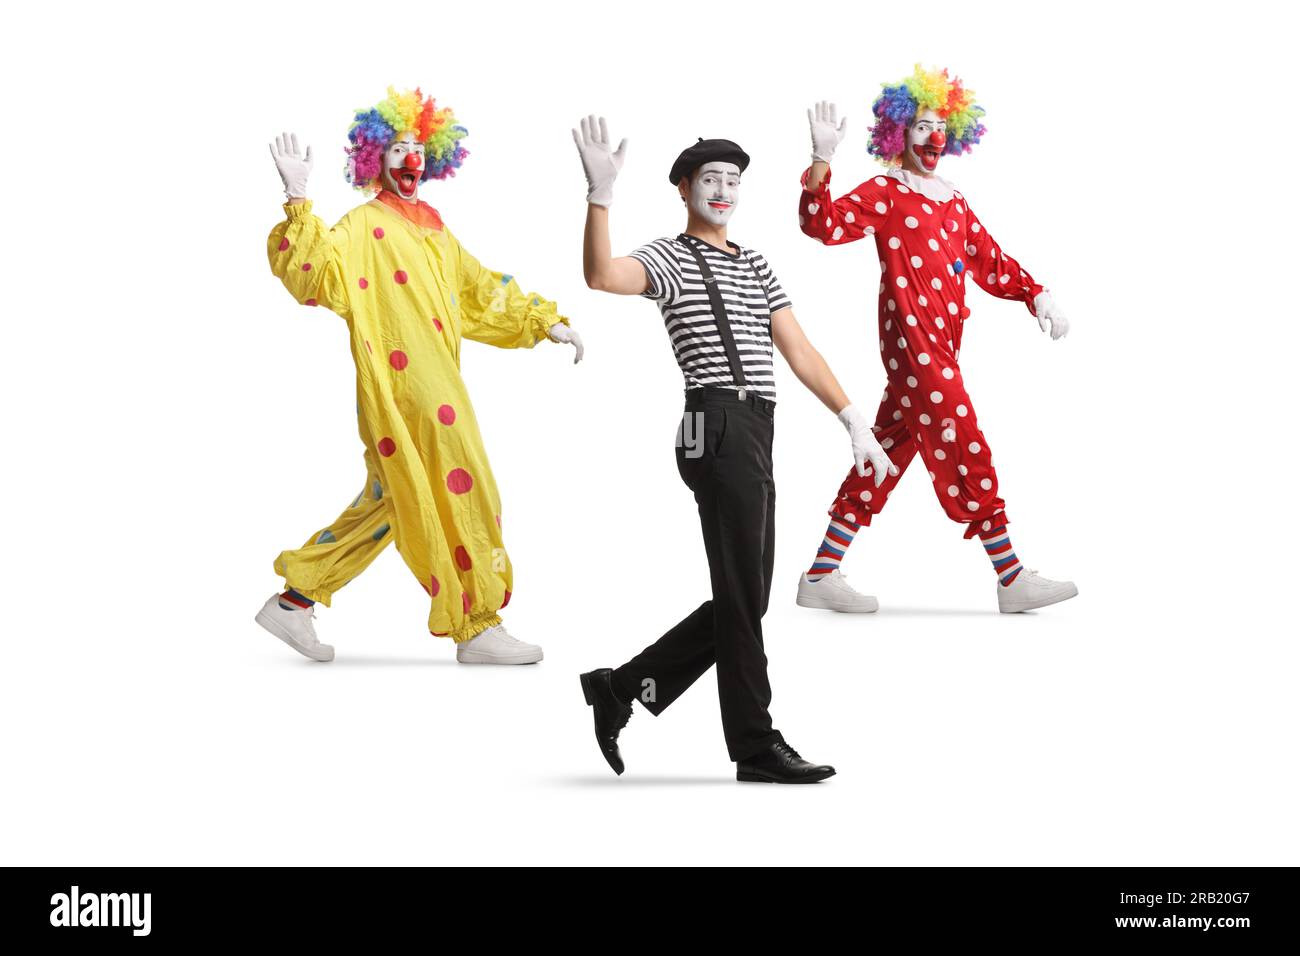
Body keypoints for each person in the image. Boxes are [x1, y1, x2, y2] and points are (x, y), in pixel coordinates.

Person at [572, 116, 894, 782]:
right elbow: (602, 276)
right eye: (710, 179)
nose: (722, 190)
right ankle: (755, 743)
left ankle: (623, 686)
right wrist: (599, 197)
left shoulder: (755, 263)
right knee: (745, 596)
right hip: (713, 422)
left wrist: (853, 418)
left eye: (732, 182)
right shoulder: (667, 256)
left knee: (746, 597)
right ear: (685, 188)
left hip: (758, 428)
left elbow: (797, 348)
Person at [255, 87, 583, 664]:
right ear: (375, 158)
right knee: (456, 484)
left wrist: (541, 322)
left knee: (397, 497)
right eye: (398, 146)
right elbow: (315, 277)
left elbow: (478, 290)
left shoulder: (433, 228)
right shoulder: (362, 225)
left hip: (439, 383)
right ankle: (476, 623)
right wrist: (298, 198)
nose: (410, 157)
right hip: (402, 389)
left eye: (418, 146)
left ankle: (294, 601)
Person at [794, 69, 1078, 615]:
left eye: (943, 127)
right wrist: (822, 162)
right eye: (923, 126)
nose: (934, 138)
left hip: (941, 352)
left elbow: (990, 261)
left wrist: (1035, 294)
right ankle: (1010, 574)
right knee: (964, 438)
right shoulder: (886, 191)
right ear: (899, 133)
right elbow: (822, 224)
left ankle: (822, 573)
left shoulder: (954, 202)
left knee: (884, 452)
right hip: (914, 351)